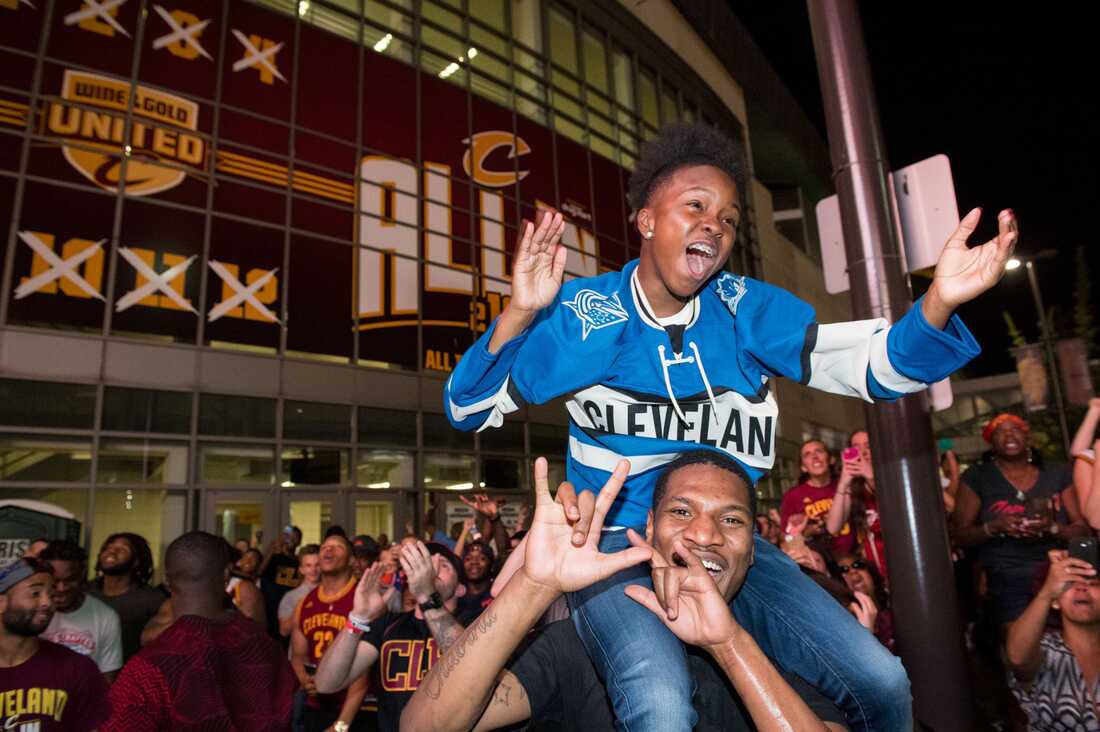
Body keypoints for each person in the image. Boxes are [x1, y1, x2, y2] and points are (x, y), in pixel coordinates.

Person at [445, 119, 1013, 731]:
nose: (715, 224)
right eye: (696, 206)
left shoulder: (747, 308)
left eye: (729, 218)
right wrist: (520, 313)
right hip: (615, 543)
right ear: (646, 220)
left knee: (882, 681)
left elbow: (873, 367)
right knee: (660, 702)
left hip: (727, 544)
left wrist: (939, 302)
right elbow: (469, 407)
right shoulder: (587, 314)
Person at [402, 453, 847, 731]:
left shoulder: (788, 654)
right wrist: (533, 586)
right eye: (681, 512)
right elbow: (424, 726)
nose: (704, 534)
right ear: (649, 529)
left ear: (753, 550)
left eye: (731, 520)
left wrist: (729, 645)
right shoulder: (585, 643)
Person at [103, 531, 297, 730]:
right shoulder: (264, 645)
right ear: (226, 574)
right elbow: (288, 708)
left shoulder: (148, 668)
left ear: (167, 581)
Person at [312, 540, 476, 731]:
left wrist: (427, 596)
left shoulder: (475, 623)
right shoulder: (388, 625)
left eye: (444, 565)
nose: (431, 568)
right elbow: (325, 684)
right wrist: (358, 618)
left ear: (460, 588)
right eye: (425, 562)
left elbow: (471, 666)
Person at [953, 413, 1091, 628]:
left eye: (1015, 429)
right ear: (991, 442)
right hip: (1005, 575)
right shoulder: (978, 476)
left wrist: (1053, 527)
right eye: (1000, 431)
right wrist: (994, 527)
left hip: (1056, 570)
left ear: (1028, 438)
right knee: (1020, 642)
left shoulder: (1057, 472)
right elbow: (960, 535)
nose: (1009, 435)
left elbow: (1082, 530)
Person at [0, 557, 111, 731]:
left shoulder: (77, 669)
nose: (48, 602)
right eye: (35, 593)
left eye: (51, 595)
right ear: (1, 603)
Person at [1005, 549, 1100, 730]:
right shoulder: (1046, 650)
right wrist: (1046, 593)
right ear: (1055, 601)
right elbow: (1017, 658)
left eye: (1093, 583)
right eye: (1069, 583)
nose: (1082, 588)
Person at [290, 534, 368, 732]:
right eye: (324, 546)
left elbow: (364, 674)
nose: (328, 549)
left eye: (338, 546)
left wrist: (341, 726)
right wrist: (305, 680)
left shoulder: (364, 600)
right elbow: (298, 657)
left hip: (355, 712)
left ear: (351, 560)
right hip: (317, 707)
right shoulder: (304, 603)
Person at [39, 540, 123, 682]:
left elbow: (106, 681)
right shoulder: (31, 612)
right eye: (54, 581)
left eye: (70, 580)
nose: (61, 588)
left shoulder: (106, 617)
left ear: (82, 574)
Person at [89, 532, 167, 662]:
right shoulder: (85, 592)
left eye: (122, 549)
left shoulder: (152, 600)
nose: (112, 551)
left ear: (136, 562)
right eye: (108, 547)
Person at [826, 431, 887, 579]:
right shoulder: (856, 486)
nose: (863, 452)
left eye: (868, 446)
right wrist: (844, 482)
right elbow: (833, 527)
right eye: (856, 447)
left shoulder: (892, 474)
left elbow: (896, 506)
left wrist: (871, 476)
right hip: (877, 571)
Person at [780, 439, 854, 554]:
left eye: (819, 451)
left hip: (853, 559)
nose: (814, 457)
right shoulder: (792, 496)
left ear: (831, 459)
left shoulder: (847, 484)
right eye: (807, 454)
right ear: (803, 467)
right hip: (817, 561)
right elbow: (786, 540)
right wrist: (803, 534)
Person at [835, 554, 894, 652]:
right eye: (843, 570)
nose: (853, 571)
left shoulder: (893, 604)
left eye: (858, 565)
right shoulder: (845, 628)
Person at [260, 525, 303, 638]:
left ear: (299, 542)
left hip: (289, 609)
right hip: (271, 607)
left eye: (295, 538)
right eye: (289, 537)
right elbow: (259, 572)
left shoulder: (299, 562)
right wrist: (272, 550)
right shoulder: (274, 557)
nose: (291, 540)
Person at [279, 544, 321, 638]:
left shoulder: (333, 592)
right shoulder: (290, 596)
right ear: (301, 570)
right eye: (308, 565)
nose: (313, 570)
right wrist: (302, 608)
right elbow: (284, 631)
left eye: (317, 565)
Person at [456, 539, 494, 618]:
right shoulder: (456, 597)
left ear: (491, 564)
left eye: (482, 558)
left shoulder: (497, 594)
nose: (474, 562)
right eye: (468, 559)